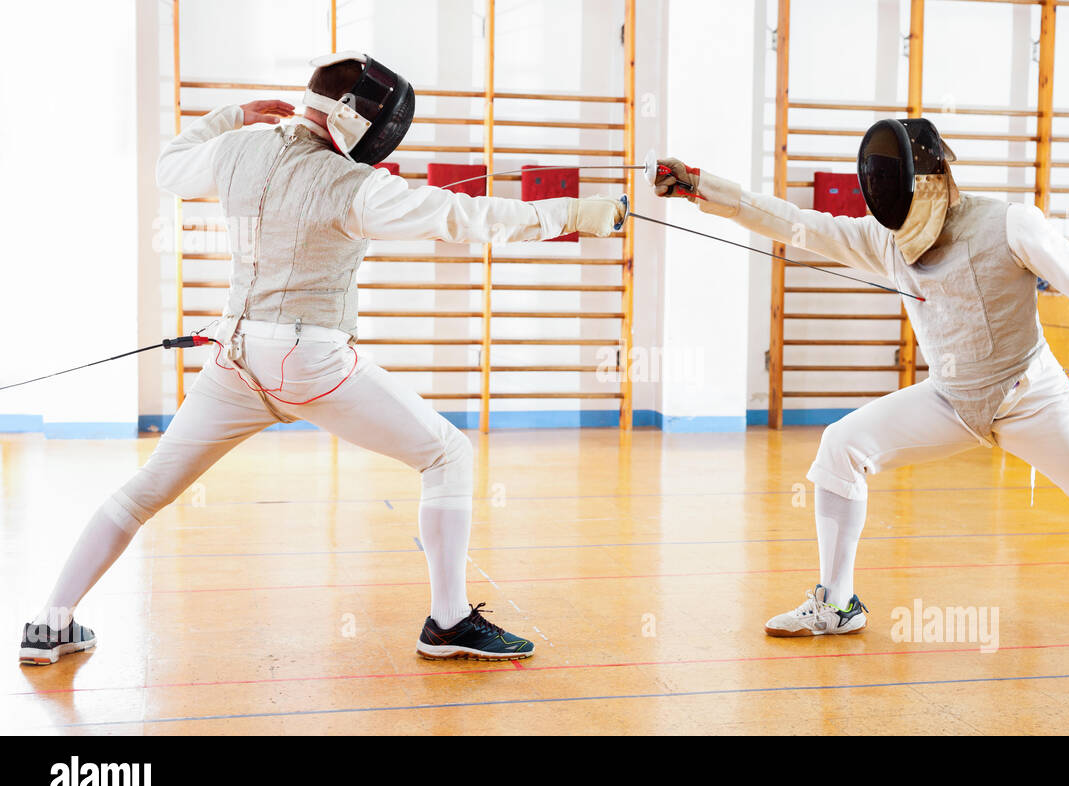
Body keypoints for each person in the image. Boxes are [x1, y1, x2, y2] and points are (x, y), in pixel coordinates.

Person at [20, 52, 626, 665]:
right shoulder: (355, 185)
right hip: (310, 363)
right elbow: (462, 217)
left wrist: (230, 116)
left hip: (234, 359)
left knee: (144, 490)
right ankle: (447, 623)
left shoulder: (238, 149)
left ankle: (50, 622)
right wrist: (571, 214)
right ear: (359, 120)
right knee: (447, 454)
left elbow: (169, 169)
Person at [653, 117, 1069, 638]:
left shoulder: (1010, 224)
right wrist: (703, 188)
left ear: (933, 181)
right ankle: (837, 605)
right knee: (841, 446)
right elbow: (793, 221)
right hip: (952, 401)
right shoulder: (885, 238)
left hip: (1032, 400)